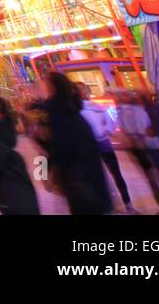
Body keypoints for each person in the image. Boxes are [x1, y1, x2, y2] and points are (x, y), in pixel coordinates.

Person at [35, 71, 113, 215]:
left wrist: (44, 173)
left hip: (78, 178)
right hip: (87, 177)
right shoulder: (70, 110)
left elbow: (51, 148)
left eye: (44, 81)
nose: (39, 84)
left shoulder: (55, 114)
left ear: (52, 87)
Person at [116, 90, 159, 215]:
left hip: (156, 148)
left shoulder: (148, 110)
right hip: (147, 148)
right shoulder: (129, 110)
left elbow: (151, 128)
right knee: (157, 181)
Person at [78, 82, 133, 213]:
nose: (83, 93)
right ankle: (115, 204)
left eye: (83, 89)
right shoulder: (88, 108)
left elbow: (109, 125)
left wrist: (104, 131)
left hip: (100, 144)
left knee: (113, 174)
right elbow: (109, 125)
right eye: (80, 90)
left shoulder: (92, 108)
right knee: (105, 176)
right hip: (97, 145)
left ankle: (124, 203)